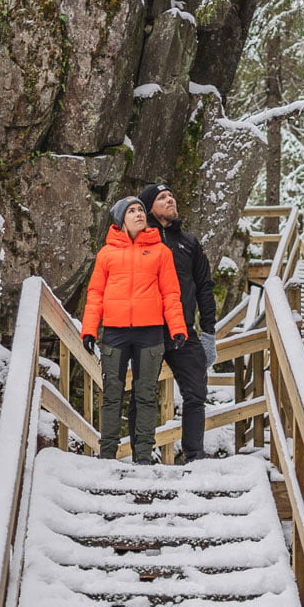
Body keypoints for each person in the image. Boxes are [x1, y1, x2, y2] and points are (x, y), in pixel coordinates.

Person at [81, 196, 188, 461]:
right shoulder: (106, 254)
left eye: (141, 209)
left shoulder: (161, 251)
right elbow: (95, 293)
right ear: (120, 219)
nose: (139, 214)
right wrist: (89, 330)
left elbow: (170, 293)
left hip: (149, 333)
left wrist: (177, 328)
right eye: (132, 211)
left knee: (146, 395)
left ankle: (143, 456)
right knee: (112, 394)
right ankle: (107, 455)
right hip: (115, 333)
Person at [138, 183, 217, 465]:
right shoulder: (139, 240)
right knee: (142, 392)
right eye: (162, 197)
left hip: (183, 331)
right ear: (149, 208)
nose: (170, 199)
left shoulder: (189, 242)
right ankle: (142, 456)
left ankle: (194, 455)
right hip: (147, 330)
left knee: (196, 393)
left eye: (171, 195)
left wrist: (209, 332)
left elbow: (204, 287)